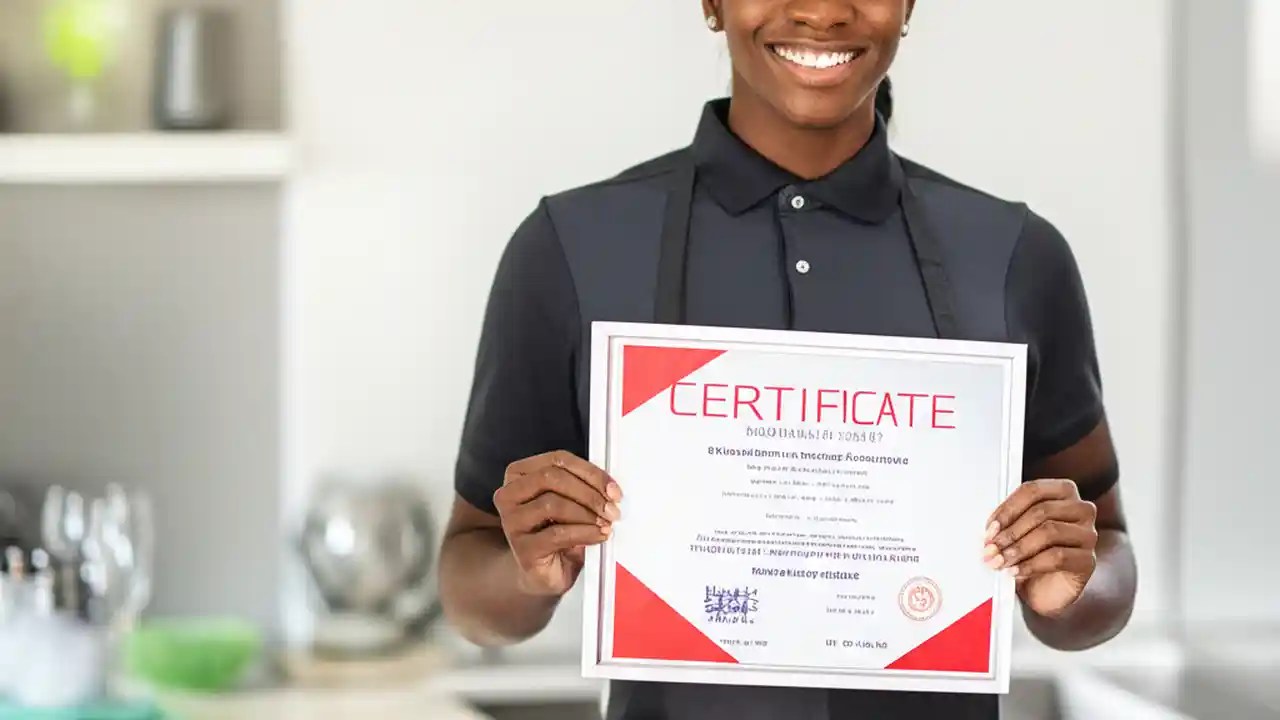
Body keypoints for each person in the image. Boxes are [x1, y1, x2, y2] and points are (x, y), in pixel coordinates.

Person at [440, 1, 1137, 718]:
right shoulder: (572, 249)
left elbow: (1105, 554)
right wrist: (530, 576)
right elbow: (470, 582)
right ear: (712, 3)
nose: (822, 12)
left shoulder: (1014, 257)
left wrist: (1066, 591)